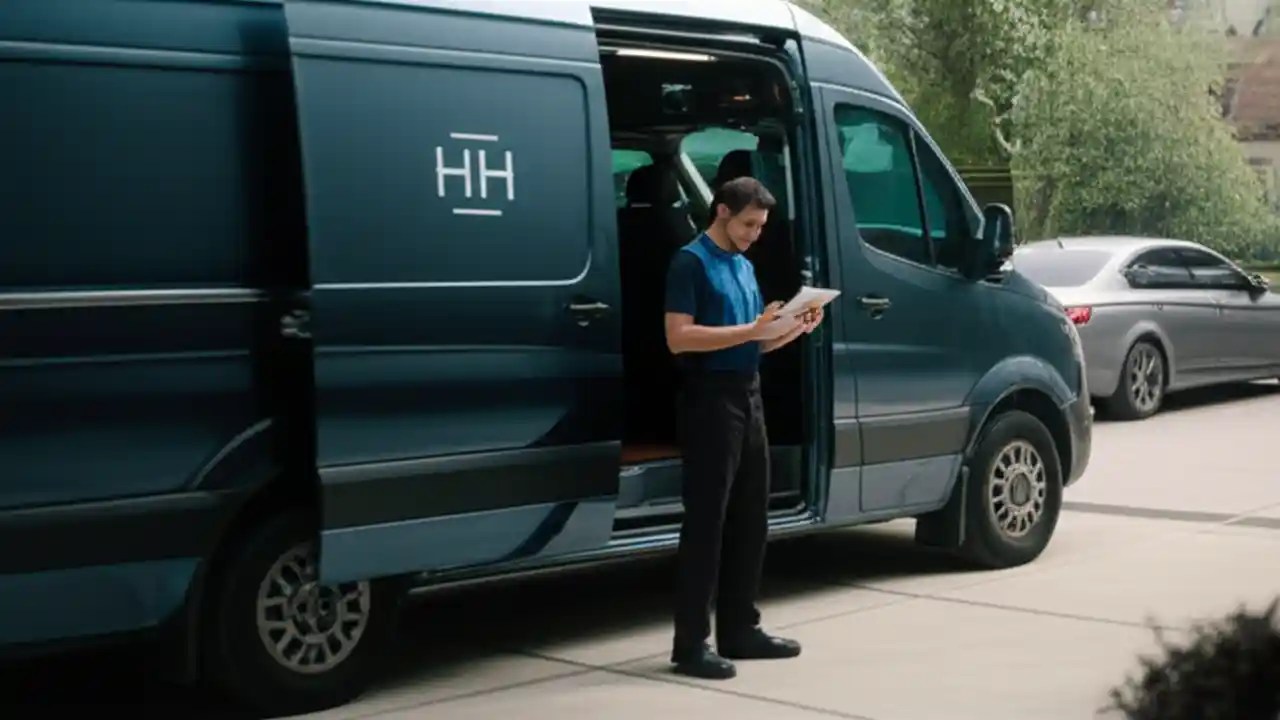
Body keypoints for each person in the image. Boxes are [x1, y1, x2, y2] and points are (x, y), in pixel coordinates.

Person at [662, 176, 823, 680]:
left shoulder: (744, 265)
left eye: (761, 227)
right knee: (707, 522)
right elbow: (678, 337)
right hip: (709, 398)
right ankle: (690, 644)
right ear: (723, 212)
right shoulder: (690, 262)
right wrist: (752, 329)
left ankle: (740, 629)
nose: (755, 234)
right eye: (749, 224)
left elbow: (755, 341)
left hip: (748, 393)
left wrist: (793, 327)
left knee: (752, 517)